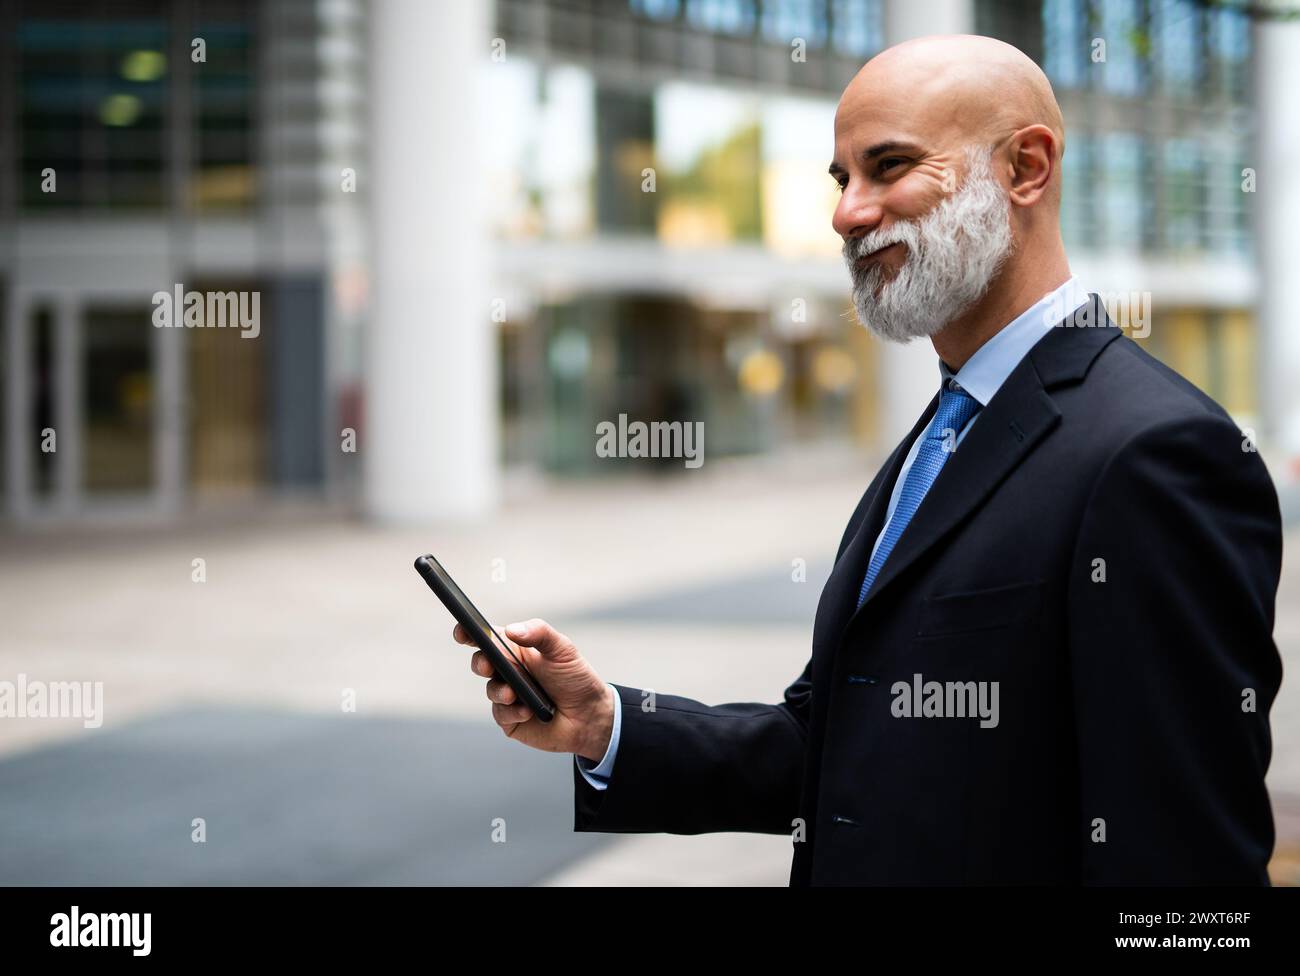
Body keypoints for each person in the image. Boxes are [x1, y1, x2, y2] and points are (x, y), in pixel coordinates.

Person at [453, 34, 1283, 885]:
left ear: (1026, 168)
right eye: (842, 179)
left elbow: (1188, 874)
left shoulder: (1159, 453)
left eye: (889, 167)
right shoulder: (949, 429)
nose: (849, 212)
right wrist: (606, 725)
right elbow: (843, 742)